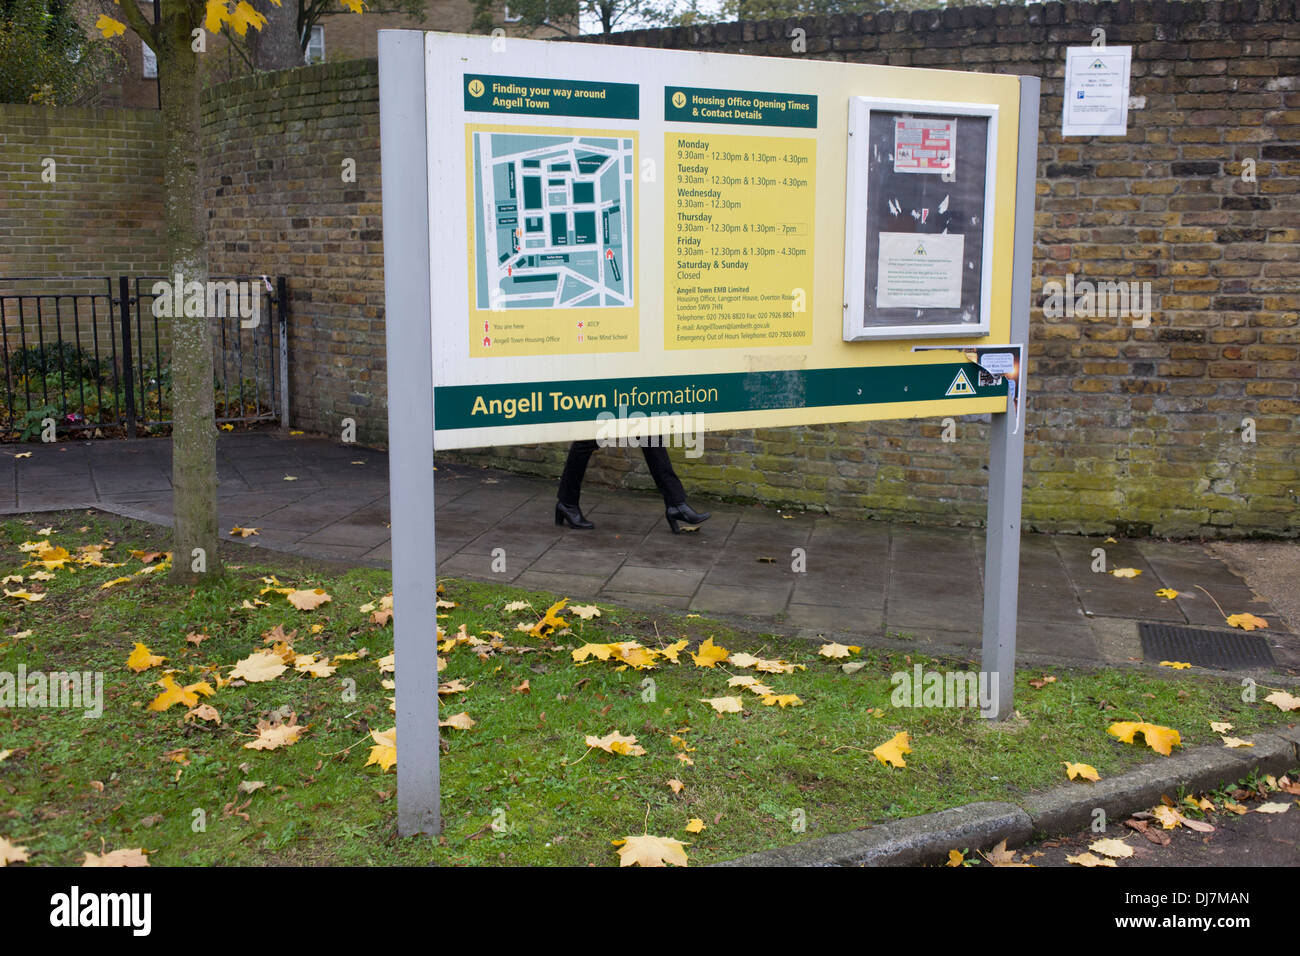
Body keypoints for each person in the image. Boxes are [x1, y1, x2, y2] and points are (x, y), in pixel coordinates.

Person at [555, 439, 710, 534]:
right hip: (601, 389)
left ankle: (676, 504)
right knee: (588, 439)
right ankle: (567, 502)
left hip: (627, 388)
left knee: (650, 435)